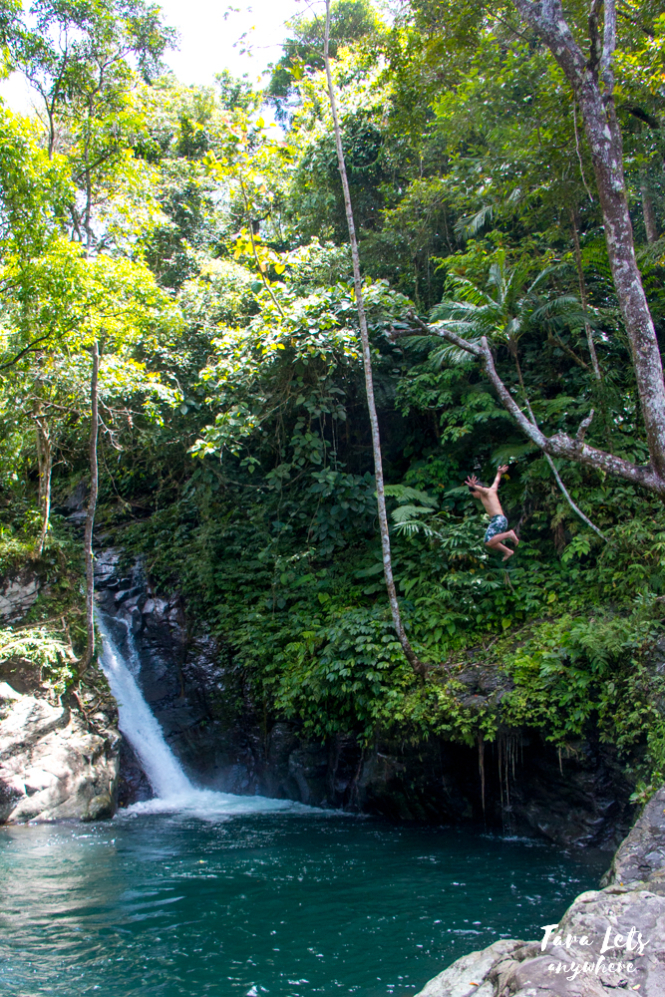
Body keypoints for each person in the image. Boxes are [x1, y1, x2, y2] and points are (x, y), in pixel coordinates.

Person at [464, 464, 519, 561]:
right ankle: (507, 551)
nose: (473, 496)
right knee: (488, 542)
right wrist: (499, 473)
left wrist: (474, 486)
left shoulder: (485, 493)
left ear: (475, 491)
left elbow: (482, 490)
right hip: (499, 520)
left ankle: (509, 534)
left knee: (489, 541)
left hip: (498, 519)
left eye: (473, 494)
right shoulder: (492, 490)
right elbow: (496, 481)